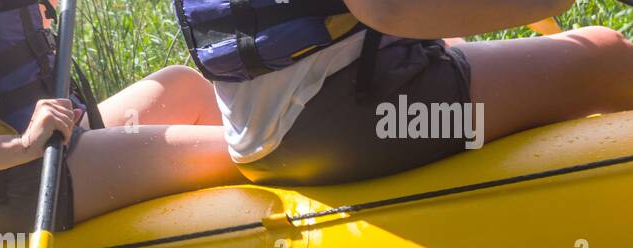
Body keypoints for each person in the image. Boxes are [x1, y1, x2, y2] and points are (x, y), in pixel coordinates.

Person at [0, 0, 246, 236]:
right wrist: (22, 146)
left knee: (184, 87)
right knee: (237, 150)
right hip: (15, 183)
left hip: (58, 141)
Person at [174, 0, 633, 186]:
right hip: (368, 122)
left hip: (269, 135)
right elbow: (388, 8)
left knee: (459, 48)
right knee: (606, 57)